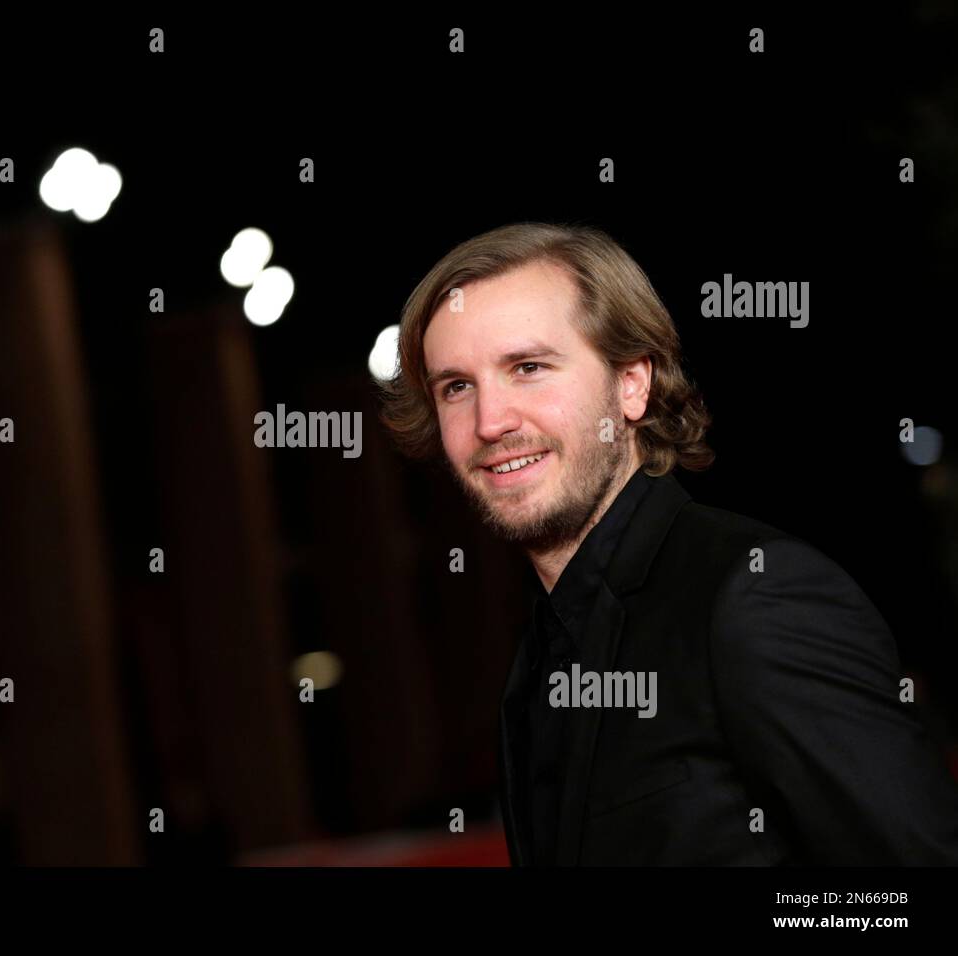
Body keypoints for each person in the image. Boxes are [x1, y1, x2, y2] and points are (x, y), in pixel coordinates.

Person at [380, 222, 958, 865]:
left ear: (632, 385)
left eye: (529, 367)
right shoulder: (538, 657)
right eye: (457, 387)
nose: (491, 421)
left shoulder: (754, 596)